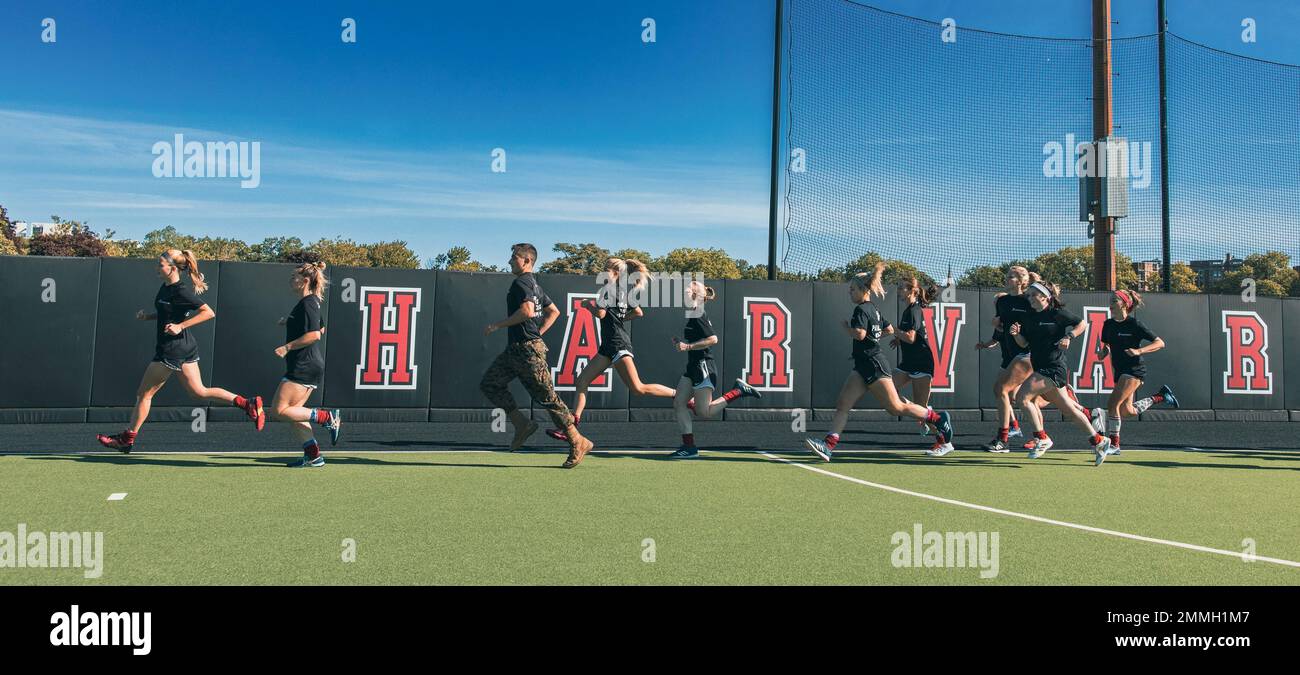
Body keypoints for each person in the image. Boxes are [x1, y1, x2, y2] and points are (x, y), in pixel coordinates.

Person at [96, 249, 264, 453]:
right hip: (183, 347)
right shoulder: (165, 287)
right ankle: (247, 403)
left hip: (172, 349)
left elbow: (208, 313)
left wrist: (180, 326)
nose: (157, 268)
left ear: (172, 269)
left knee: (144, 395)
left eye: (160, 265)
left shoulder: (180, 291)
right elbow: (169, 313)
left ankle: (127, 439)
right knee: (199, 392)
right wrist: (148, 317)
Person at [804, 262, 955, 461]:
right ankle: (828, 445)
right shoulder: (873, 308)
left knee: (895, 408)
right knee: (843, 403)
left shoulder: (862, 310)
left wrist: (846, 328)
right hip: (862, 365)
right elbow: (890, 329)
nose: (850, 293)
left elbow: (859, 334)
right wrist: (875, 338)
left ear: (862, 290)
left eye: (852, 290)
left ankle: (937, 419)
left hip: (874, 364)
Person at [481, 243, 594, 468]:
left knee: (548, 398)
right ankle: (522, 424)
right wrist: (538, 334)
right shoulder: (534, 285)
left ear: (526, 261)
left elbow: (528, 312)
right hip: (517, 350)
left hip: (528, 351)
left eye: (514, 257)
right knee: (491, 384)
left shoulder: (522, 282)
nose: (510, 261)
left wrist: (497, 325)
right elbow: (554, 311)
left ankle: (577, 440)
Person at [545, 257, 676, 440]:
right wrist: (619, 319)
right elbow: (638, 312)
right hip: (608, 346)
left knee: (638, 388)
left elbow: (600, 313)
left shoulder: (607, 290)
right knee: (582, 381)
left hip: (617, 344)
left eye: (604, 268)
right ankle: (571, 428)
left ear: (614, 272)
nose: (601, 271)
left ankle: (678, 395)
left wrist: (586, 305)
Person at [1009, 281, 1112, 464]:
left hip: (1054, 368)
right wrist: (1016, 334)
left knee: (1022, 397)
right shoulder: (1029, 317)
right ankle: (1099, 440)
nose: (1030, 298)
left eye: (1034, 294)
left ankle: (1041, 437)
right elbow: (1024, 344)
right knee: (1069, 410)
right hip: (1040, 367)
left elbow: (1082, 324)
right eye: (1029, 295)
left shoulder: (1057, 314)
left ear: (1045, 297)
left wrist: (1069, 336)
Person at [668, 280, 761, 459]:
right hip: (693, 366)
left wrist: (687, 347)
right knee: (679, 402)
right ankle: (689, 447)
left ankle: (738, 391)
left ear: (697, 295)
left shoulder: (698, 313)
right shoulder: (693, 313)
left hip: (703, 365)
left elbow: (713, 339)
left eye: (690, 287)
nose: (686, 289)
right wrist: (684, 345)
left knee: (705, 412)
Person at [271, 262, 342, 468]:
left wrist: (288, 346)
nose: (290, 280)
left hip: (304, 365)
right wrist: (290, 322)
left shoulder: (309, 302)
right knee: (295, 412)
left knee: (279, 410)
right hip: (308, 364)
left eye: (294, 277)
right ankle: (313, 456)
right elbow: (321, 329)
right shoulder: (309, 303)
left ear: (305, 281)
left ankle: (326, 417)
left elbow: (313, 335)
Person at [1096, 289, 1179, 455]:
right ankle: (1160, 397)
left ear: (1125, 304)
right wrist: (1102, 352)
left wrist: (1139, 351)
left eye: (1115, 301)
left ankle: (1114, 445)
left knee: (1112, 404)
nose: (1111, 304)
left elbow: (1160, 343)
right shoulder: (1108, 325)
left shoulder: (1134, 324)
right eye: (1111, 300)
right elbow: (1105, 346)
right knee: (1128, 412)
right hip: (1119, 371)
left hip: (1134, 371)